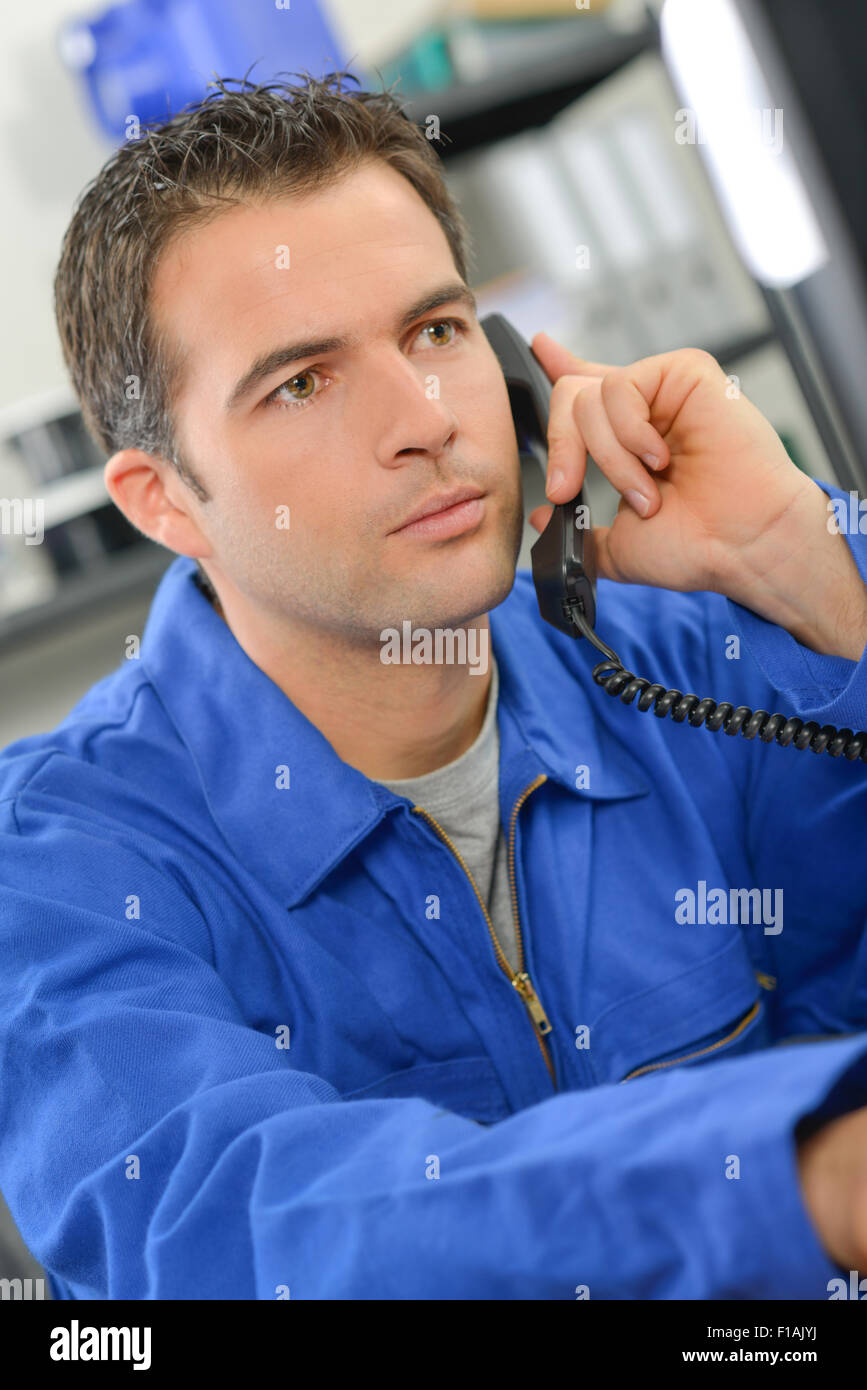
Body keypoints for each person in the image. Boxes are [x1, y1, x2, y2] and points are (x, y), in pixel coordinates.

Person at [1, 72, 866, 1301]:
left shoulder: (682, 661)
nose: (424, 419)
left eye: (436, 332)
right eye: (301, 380)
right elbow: (257, 1239)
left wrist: (815, 572)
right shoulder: (53, 864)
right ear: (163, 500)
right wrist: (800, 1172)